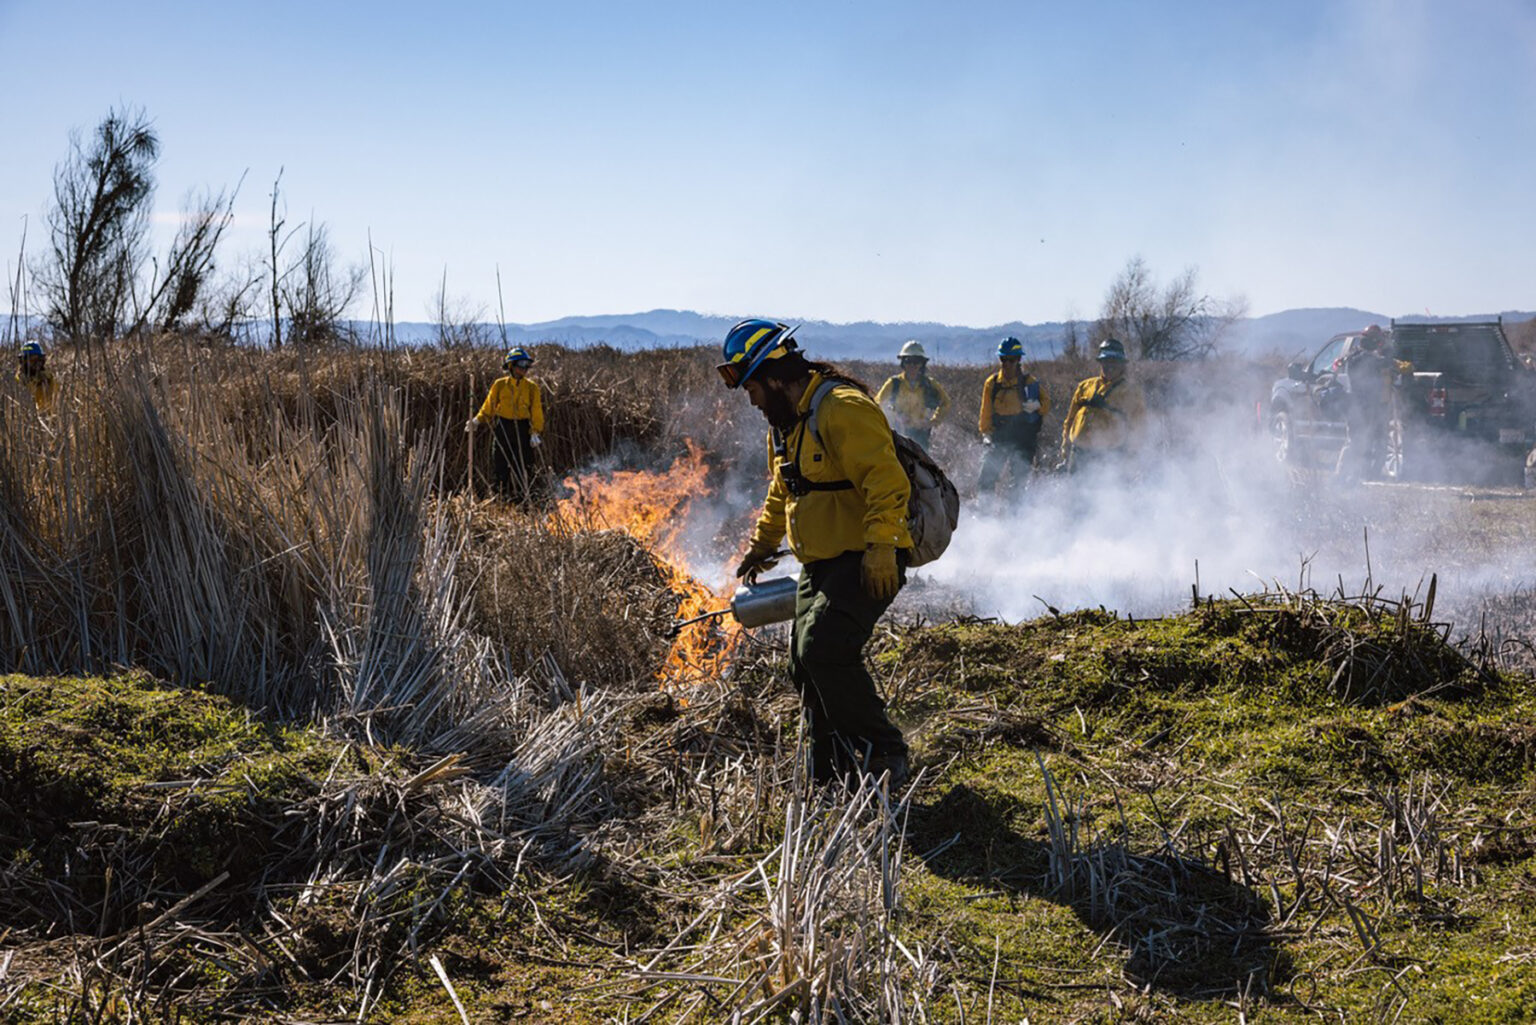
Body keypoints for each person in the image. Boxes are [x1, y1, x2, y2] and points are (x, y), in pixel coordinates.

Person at [721, 318, 912, 790]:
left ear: (774, 376)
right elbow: (783, 492)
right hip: (821, 561)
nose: (752, 401)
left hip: (866, 555)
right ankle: (832, 770)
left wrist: (883, 548)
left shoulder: (841, 409)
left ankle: (885, 753)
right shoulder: (786, 426)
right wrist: (761, 547)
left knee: (824, 648)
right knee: (802, 663)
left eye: (753, 389)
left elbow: (887, 482)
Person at [466, 347, 544, 503]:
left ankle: (524, 502)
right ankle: (499, 500)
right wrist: (477, 420)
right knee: (500, 465)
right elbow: (489, 406)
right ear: (511, 366)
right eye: (521, 364)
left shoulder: (531, 387)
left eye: (527, 365)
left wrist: (535, 432)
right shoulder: (500, 385)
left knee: (524, 467)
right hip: (503, 427)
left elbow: (536, 411)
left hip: (523, 429)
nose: (525, 368)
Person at [1059, 338, 1147, 475]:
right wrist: (1065, 448)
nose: (1109, 367)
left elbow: (1138, 429)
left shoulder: (1131, 393)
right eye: (1106, 362)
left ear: (1122, 365)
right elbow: (1069, 421)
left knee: (1105, 495)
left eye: (1114, 363)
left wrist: (1130, 460)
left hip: (1109, 458)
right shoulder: (1084, 386)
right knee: (1075, 495)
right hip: (1078, 454)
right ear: (1100, 363)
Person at [977, 337, 1049, 497]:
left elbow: (1046, 404)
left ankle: (1015, 518)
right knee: (986, 478)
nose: (1007, 364)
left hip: (1023, 437)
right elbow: (985, 410)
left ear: (1018, 360)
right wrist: (985, 433)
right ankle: (984, 515)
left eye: (1011, 360)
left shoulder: (1029, 382)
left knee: (1018, 482)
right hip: (999, 436)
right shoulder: (992, 383)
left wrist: (1038, 406)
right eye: (1003, 359)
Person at [1338, 325, 1410, 482]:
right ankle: (1342, 475)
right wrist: (1391, 355)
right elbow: (1382, 363)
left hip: (1372, 406)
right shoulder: (1362, 359)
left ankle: (1364, 474)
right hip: (1360, 408)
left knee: (1377, 440)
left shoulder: (1358, 356)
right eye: (1379, 342)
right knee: (1356, 442)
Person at [874, 340, 950, 451]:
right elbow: (877, 403)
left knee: (921, 466)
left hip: (921, 436)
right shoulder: (894, 383)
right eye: (908, 361)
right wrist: (894, 417)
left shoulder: (930, 384)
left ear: (922, 364)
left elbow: (946, 403)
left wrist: (932, 422)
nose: (912, 366)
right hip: (898, 434)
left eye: (916, 362)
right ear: (903, 363)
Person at [16, 341, 59, 412]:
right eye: (32, 360)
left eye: (39, 360)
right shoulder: (16, 382)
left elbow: (56, 399)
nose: (37, 363)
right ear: (23, 361)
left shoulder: (49, 378)